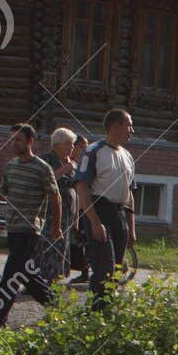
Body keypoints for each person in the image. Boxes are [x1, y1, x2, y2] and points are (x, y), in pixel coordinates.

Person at [0, 124, 61, 333]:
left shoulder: (42, 167)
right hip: (13, 228)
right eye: (12, 139)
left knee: (10, 276)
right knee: (26, 274)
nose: (13, 143)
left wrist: (56, 227)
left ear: (29, 141)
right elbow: (4, 193)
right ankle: (60, 308)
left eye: (18, 139)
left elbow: (55, 197)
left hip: (29, 229)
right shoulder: (11, 166)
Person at [74, 108, 136, 304]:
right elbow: (82, 188)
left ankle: (103, 312)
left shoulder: (127, 156)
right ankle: (96, 314)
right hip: (99, 212)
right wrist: (94, 222)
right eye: (129, 125)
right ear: (115, 126)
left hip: (119, 214)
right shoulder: (93, 152)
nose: (132, 130)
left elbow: (130, 193)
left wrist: (131, 227)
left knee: (117, 269)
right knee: (104, 268)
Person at [40, 127, 78, 286]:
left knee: (62, 244)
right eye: (69, 144)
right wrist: (66, 169)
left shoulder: (68, 161)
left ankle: (56, 277)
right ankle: (42, 277)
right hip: (51, 211)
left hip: (67, 213)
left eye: (73, 144)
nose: (73, 147)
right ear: (57, 144)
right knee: (49, 242)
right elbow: (46, 179)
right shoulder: (47, 160)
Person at [67, 133, 92, 286]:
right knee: (78, 240)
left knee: (84, 240)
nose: (84, 150)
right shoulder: (71, 164)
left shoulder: (86, 165)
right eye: (81, 146)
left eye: (86, 146)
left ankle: (85, 272)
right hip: (73, 207)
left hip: (84, 207)